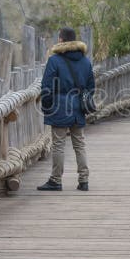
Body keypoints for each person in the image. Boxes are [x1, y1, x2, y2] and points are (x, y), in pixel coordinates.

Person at [37, 27, 95, 191]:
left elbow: (46, 87)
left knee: (58, 145)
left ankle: (56, 180)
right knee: (79, 144)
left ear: (61, 40)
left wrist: (47, 106)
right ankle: (84, 181)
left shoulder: (54, 60)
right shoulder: (85, 61)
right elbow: (91, 87)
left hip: (60, 107)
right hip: (78, 108)